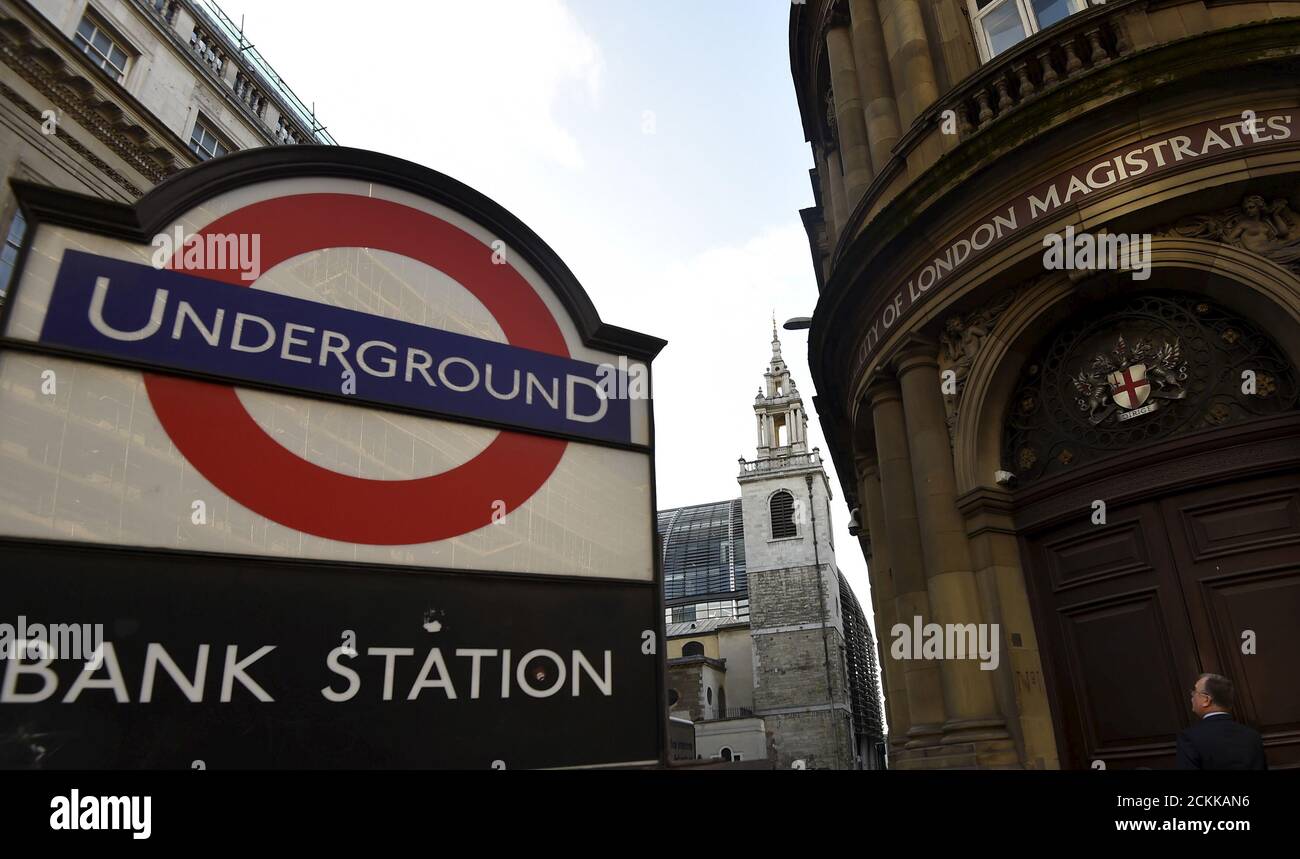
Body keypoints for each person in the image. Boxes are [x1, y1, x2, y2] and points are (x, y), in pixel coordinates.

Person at [1175, 673, 1267, 770]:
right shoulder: (1253, 736)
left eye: (1194, 693)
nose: (1192, 698)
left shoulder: (1189, 738)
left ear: (1206, 700)